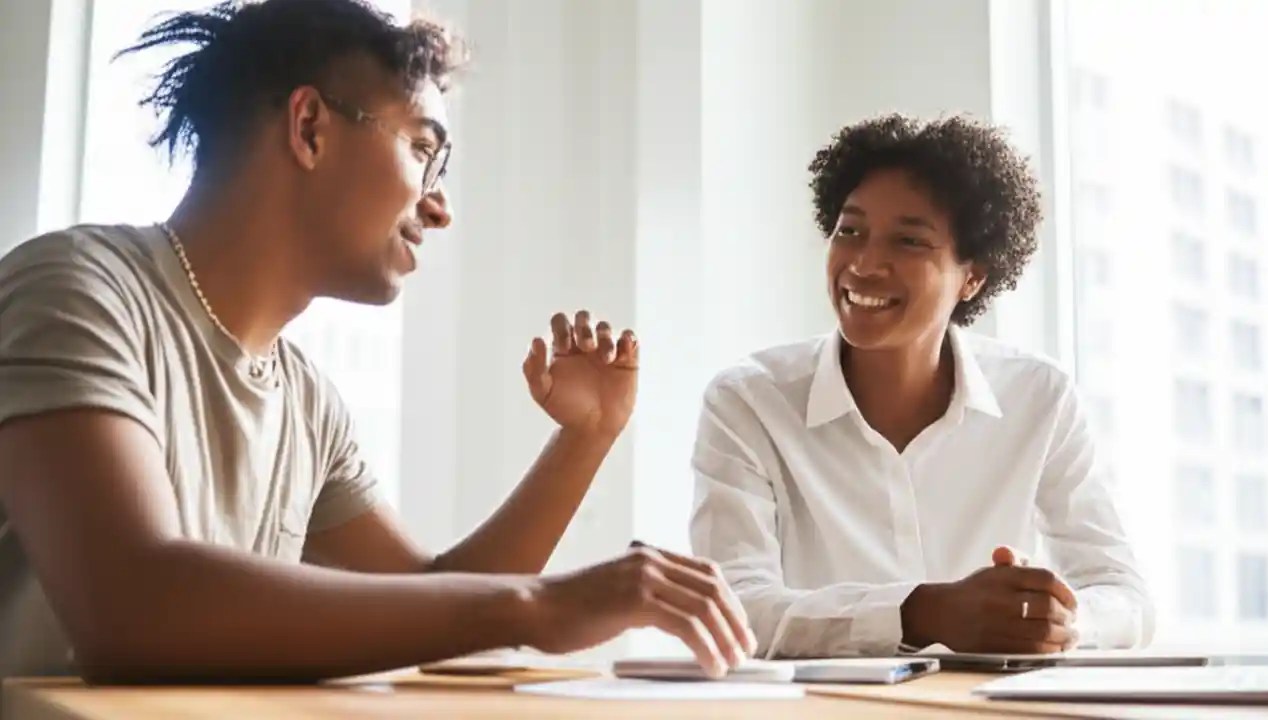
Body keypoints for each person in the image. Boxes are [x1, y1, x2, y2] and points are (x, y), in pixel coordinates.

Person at [0, 0, 753, 683]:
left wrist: (585, 438)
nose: (440, 204)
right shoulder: (76, 290)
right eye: (424, 149)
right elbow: (132, 607)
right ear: (310, 128)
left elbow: (430, 607)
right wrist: (539, 606)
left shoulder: (305, 401)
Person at [689, 114, 1153, 659]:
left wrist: (1060, 619)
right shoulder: (749, 402)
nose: (863, 264)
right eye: (850, 231)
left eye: (909, 241)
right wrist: (918, 613)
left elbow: (1126, 596)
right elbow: (732, 610)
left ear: (973, 275)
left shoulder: (1039, 397)